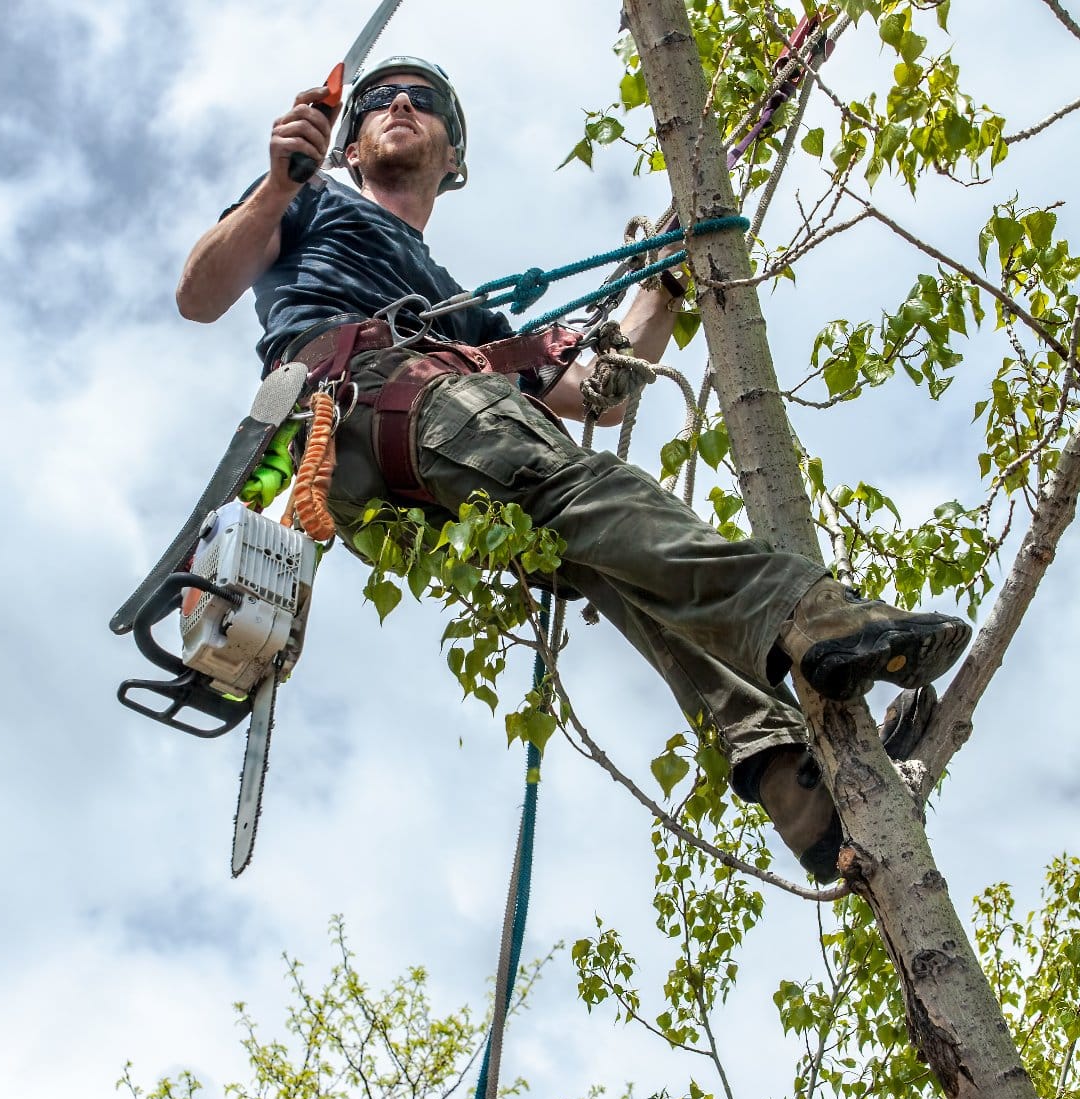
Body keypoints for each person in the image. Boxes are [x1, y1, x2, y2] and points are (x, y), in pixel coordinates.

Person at [175, 58, 970, 882]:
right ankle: (810, 614)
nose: (399, 104)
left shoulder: (460, 306)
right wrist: (276, 184)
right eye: (379, 100)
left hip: (421, 472)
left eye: (424, 101)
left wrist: (660, 287)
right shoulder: (308, 200)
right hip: (355, 408)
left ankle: (797, 789)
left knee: (609, 560)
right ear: (348, 142)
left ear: (455, 160)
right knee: (586, 493)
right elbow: (200, 294)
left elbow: (596, 392)